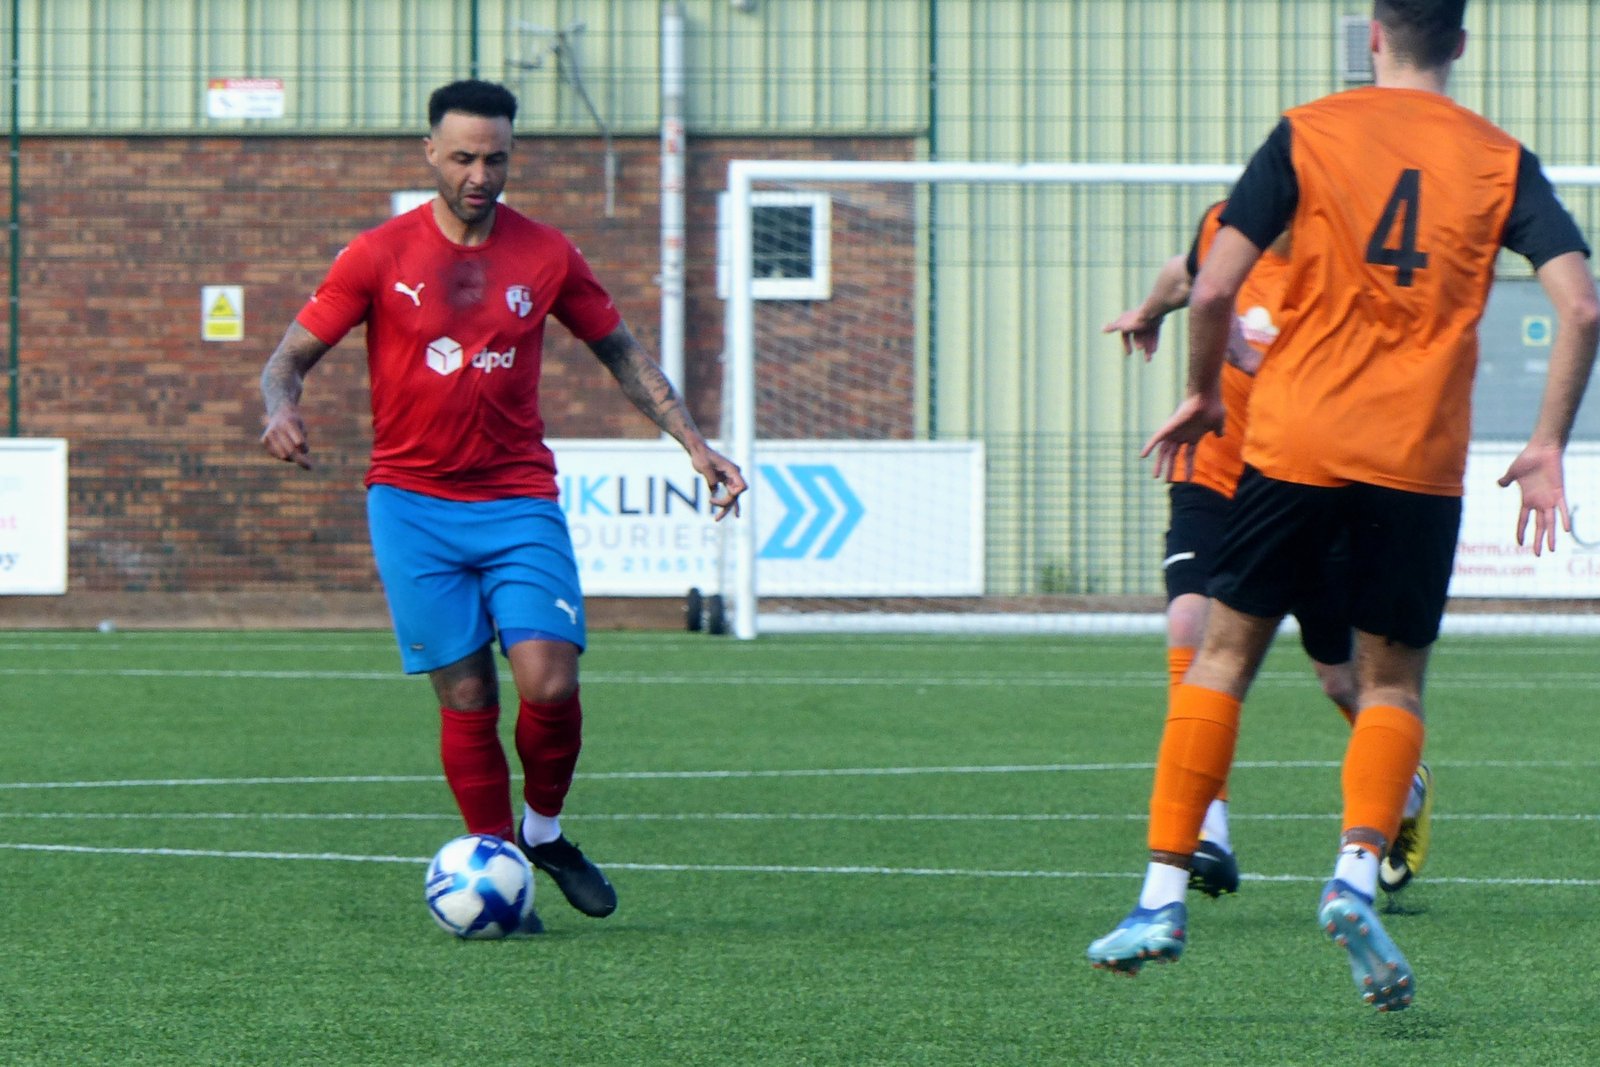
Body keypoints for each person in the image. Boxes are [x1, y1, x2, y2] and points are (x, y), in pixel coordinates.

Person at [1088, 0, 1599, 1013]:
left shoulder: (1308, 131)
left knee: (1223, 656)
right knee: (1389, 681)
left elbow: (1214, 286)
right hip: (1415, 459)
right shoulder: (1500, 158)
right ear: (1457, 42)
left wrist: (1198, 394)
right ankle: (1355, 872)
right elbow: (1580, 304)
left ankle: (1158, 895)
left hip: (1294, 442)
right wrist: (1544, 445)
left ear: (1374, 36)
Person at [259, 79, 748, 932]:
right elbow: (288, 357)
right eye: (463, 158)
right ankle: (499, 861)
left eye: (496, 159)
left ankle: (544, 831)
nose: (481, 175)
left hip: (518, 496)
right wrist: (281, 407)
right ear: (429, 155)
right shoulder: (378, 254)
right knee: (466, 697)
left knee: (549, 680)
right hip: (410, 504)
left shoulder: (547, 253)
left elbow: (622, 354)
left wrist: (694, 443)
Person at [1103, 202, 1434, 899]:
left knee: (1342, 678)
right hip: (1216, 477)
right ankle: (1207, 828)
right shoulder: (1230, 231)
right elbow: (1183, 274)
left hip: (1305, 488)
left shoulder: (1345, 263)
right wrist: (1149, 312)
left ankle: (1401, 780)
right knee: (1191, 624)